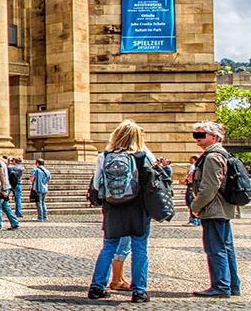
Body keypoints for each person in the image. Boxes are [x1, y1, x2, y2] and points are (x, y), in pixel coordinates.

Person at [87, 119, 170, 303]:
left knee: (108, 247)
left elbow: (96, 184)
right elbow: (152, 182)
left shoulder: (104, 156)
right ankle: (139, 292)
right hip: (137, 207)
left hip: (112, 207)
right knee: (140, 248)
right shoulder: (143, 155)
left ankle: (96, 288)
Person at [190, 121, 241, 298]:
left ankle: (220, 286)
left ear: (213, 136)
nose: (197, 137)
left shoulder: (212, 157)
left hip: (213, 209)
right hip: (221, 208)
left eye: (201, 134)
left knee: (215, 248)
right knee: (226, 247)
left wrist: (195, 207)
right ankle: (232, 285)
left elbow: (210, 187)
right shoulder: (220, 154)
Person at [0, 152, 20, 231]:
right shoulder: (2, 163)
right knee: (5, 206)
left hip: (1, 187)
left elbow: (1, 176)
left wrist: (1, 188)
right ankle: (14, 222)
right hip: (7, 186)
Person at [185, 154, 201, 226]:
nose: (189, 160)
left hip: (192, 187)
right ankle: (199, 220)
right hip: (198, 187)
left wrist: (186, 181)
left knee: (191, 203)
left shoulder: (193, 166)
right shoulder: (200, 166)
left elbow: (190, 177)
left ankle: (193, 220)